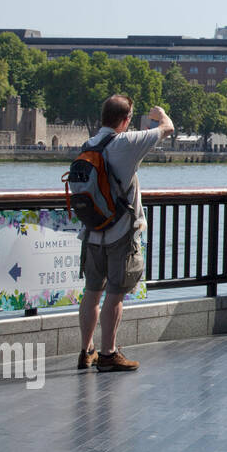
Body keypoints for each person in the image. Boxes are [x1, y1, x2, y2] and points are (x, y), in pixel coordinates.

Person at [76, 96, 174, 372]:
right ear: (126, 119)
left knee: (91, 293)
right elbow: (167, 128)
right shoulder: (126, 143)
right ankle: (108, 354)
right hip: (120, 233)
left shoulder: (89, 144)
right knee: (115, 294)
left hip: (92, 232)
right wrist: (160, 113)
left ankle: (86, 351)